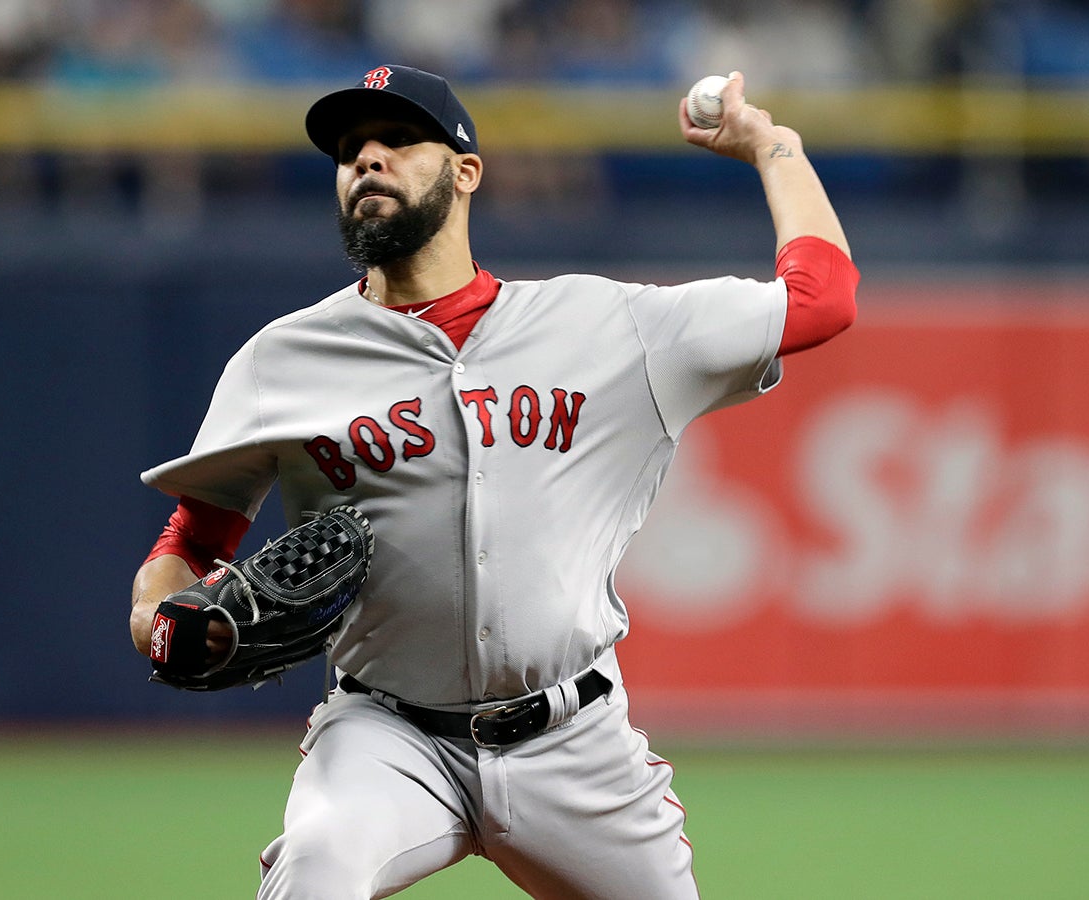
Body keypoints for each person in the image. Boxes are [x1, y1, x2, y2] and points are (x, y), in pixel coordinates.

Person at [130, 63, 858, 899]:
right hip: (387, 736)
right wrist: (157, 617)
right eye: (350, 150)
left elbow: (824, 298)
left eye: (399, 141)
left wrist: (773, 147)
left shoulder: (609, 326)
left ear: (465, 172)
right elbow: (191, 541)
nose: (368, 159)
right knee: (319, 860)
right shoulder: (280, 360)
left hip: (573, 739)